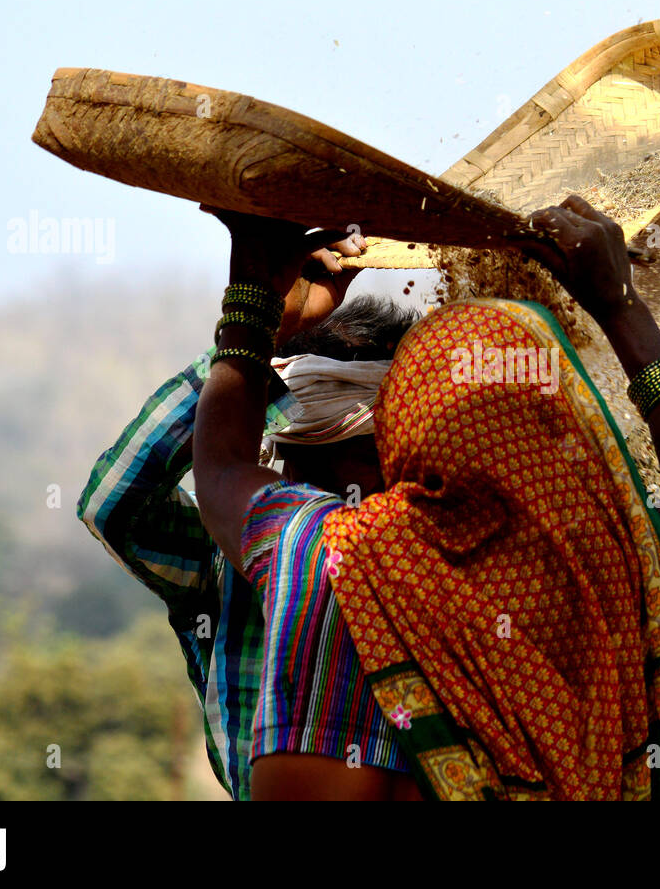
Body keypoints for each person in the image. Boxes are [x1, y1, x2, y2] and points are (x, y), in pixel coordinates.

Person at [195, 195, 660, 800]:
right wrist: (620, 306)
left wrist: (252, 289)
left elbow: (220, 468)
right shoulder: (600, 570)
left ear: (402, 429)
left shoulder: (329, 553)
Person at [77, 224, 422, 800]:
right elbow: (116, 507)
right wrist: (267, 330)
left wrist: (253, 324)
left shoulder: (445, 553)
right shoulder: (231, 559)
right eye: (291, 463)